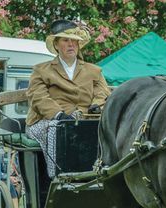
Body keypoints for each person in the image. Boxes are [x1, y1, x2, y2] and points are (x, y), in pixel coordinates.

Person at [26, 19, 110, 177]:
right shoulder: (41, 70)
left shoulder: (94, 71)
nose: (71, 44)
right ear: (56, 45)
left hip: (85, 120)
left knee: (104, 129)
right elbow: (38, 97)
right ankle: (57, 177)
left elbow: (103, 93)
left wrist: (96, 105)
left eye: (74, 41)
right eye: (66, 40)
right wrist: (59, 115)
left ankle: (99, 174)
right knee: (56, 129)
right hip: (47, 121)